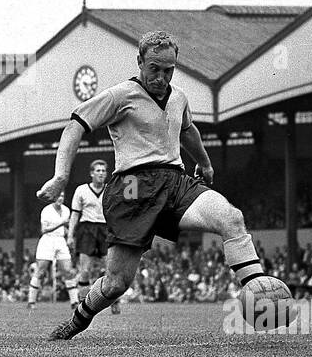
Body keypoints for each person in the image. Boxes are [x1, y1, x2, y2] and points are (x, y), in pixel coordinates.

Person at [37, 31, 276, 340]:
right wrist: (61, 176)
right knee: (116, 284)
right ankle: (78, 321)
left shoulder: (178, 98)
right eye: (154, 68)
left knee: (232, 218)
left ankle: (264, 300)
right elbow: (75, 126)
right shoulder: (120, 95)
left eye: (168, 70)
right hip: (132, 188)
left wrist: (204, 163)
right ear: (139, 62)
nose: (162, 77)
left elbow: (188, 131)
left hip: (175, 182)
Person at [68, 159, 116, 314]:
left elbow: (115, 214)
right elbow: (75, 215)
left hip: (104, 228)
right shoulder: (81, 190)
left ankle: (114, 301)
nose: (101, 173)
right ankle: (82, 303)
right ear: (91, 173)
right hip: (87, 229)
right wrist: (70, 235)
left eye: (103, 170)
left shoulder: (110, 190)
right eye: (98, 170)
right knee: (85, 269)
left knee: (110, 268)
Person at [28, 194, 74, 310]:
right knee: (41, 271)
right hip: (47, 240)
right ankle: (31, 301)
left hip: (60, 240)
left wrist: (69, 235)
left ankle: (75, 302)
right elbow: (43, 230)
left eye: (62, 196)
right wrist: (61, 223)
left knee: (68, 271)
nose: (60, 198)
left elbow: (65, 227)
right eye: (58, 196)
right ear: (53, 197)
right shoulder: (46, 210)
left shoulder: (66, 210)